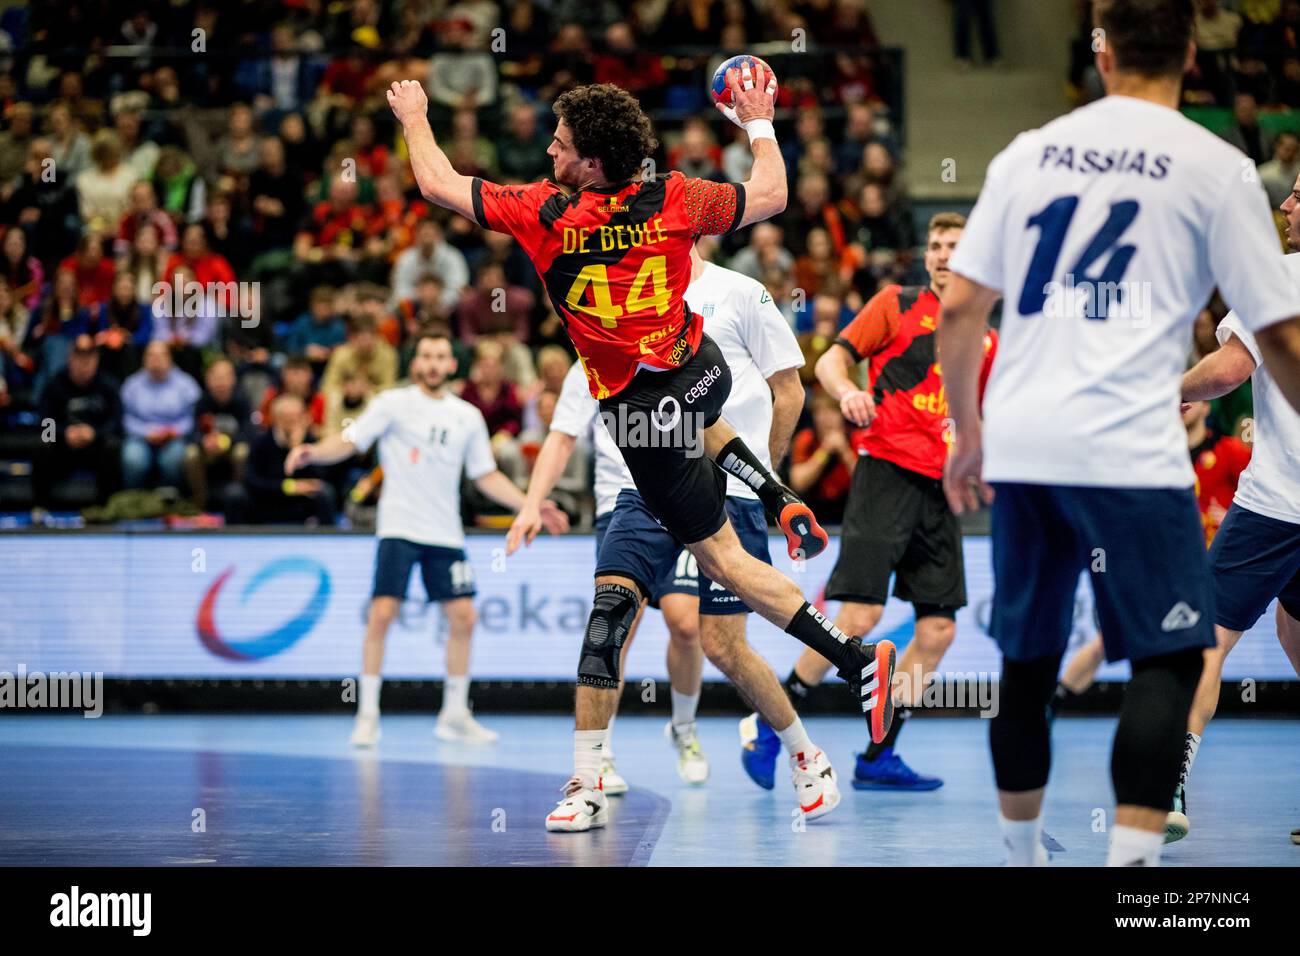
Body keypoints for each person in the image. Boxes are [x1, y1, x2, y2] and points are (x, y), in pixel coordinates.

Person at [389, 68, 901, 831]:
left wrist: (415, 115)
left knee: (723, 562)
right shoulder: (675, 198)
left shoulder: (545, 212)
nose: (550, 153)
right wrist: (758, 119)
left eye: (561, 145)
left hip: (644, 417)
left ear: (591, 163)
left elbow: (436, 183)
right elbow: (771, 194)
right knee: (638, 593)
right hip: (701, 371)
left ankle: (859, 663)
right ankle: (595, 776)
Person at [937, 0, 1300, 867]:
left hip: (1027, 442)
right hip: (1132, 448)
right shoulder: (1217, 168)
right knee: (1169, 659)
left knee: (1026, 665)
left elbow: (959, 309)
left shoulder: (1028, 153)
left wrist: (968, 434)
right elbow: (1276, 337)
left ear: (1100, 55)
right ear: (1190, 55)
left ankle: (1022, 855)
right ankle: (1131, 868)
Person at [515, 244, 807, 801]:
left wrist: (764, 483)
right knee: (614, 627)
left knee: (689, 626)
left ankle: (686, 728)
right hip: (623, 498)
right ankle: (598, 757)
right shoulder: (594, 346)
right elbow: (561, 436)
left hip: (694, 491)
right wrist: (531, 502)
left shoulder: (709, 318)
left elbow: (719, 419)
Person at [744, 213, 998, 792]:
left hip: (940, 488)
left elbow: (979, 413)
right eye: (935, 245)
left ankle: (878, 756)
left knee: (938, 630)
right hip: (885, 472)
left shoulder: (984, 335)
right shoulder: (895, 303)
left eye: (955, 246)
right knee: (858, 616)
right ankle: (768, 728)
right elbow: (830, 361)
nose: (943, 255)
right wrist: (848, 391)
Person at [284, 332, 569, 746]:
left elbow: (485, 475)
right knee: (382, 614)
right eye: (426, 356)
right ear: (416, 363)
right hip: (399, 528)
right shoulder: (392, 403)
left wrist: (531, 504)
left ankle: (454, 715)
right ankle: (367, 715)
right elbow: (350, 441)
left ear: (452, 365)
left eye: (441, 357)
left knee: (464, 618)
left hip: (445, 532)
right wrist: (313, 452)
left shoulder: (467, 416)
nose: (433, 364)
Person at [33, 335, 122, 507]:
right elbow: (45, 424)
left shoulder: (108, 385)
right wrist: (64, 433)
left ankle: (107, 506)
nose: (84, 364)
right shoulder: (54, 384)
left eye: (88, 359)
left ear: (96, 360)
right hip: (63, 448)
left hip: (95, 448)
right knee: (43, 444)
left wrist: (95, 433)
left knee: (113, 445)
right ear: (70, 358)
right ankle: (41, 506)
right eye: (79, 358)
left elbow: (116, 422)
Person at [120, 340, 200, 490]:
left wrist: (175, 431)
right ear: (144, 359)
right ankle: (134, 496)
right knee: (133, 460)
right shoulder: (132, 384)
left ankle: (172, 497)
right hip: (140, 437)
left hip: (174, 438)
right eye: (151, 355)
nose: (156, 360)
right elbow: (126, 418)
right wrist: (145, 432)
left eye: (161, 355)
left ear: (170, 358)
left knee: (173, 460)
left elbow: (192, 416)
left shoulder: (186, 384)